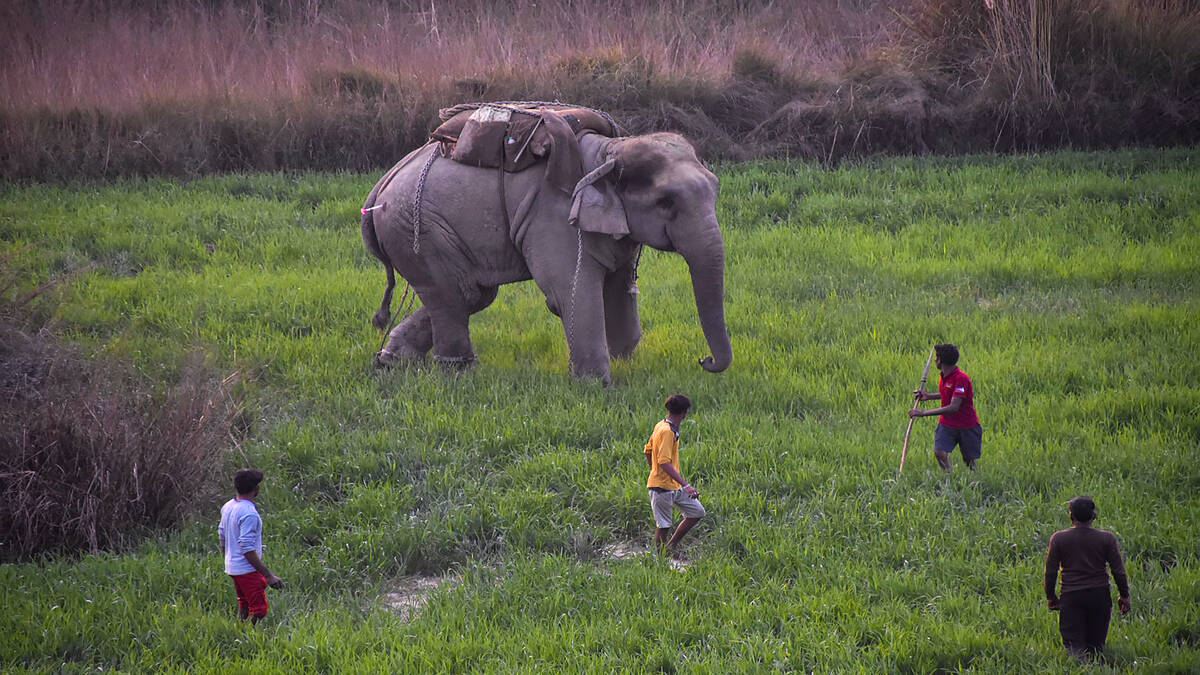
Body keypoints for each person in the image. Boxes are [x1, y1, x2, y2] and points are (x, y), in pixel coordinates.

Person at [1044, 496, 1131, 661]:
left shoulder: (1059, 538)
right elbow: (1118, 571)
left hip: (1071, 596)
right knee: (1096, 647)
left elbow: (1050, 572)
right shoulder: (1107, 539)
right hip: (1099, 595)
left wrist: (1051, 597)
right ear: (1094, 516)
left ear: (1071, 515)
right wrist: (1124, 596)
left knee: (1074, 647)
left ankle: (1079, 668)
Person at [644, 394, 706, 558]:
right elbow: (664, 461)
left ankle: (671, 546)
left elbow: (648, 451)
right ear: (684, 413)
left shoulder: (662, 425)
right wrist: (686, 485)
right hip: (662, 488)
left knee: (697, 512)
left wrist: (654, 470)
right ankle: (659, 559)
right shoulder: (666, 432)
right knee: (663, 526)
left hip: (673, 486)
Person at [219, 469, 284, 623]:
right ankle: (248, 638)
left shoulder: (228, 506)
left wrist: (228, 558)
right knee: (259, 610)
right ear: (256, 490)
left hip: (232, 566)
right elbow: (247, 548)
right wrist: (268, 575)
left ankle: (240, 630)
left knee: (245, 603)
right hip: (246, 569)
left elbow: (221, 535)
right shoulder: (249, 513)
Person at [909, 343, 982, 471]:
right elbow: (947, 393)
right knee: (939, 452)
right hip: (947, 424)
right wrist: (928, 396)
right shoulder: (944, 376)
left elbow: (954, 406)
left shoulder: (961, 379)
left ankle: (975, 482)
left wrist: (923, 413)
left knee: (969, 461)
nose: (935, 361)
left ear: (941, 360)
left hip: (967, 425)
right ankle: (949, 476)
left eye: (936, 358)